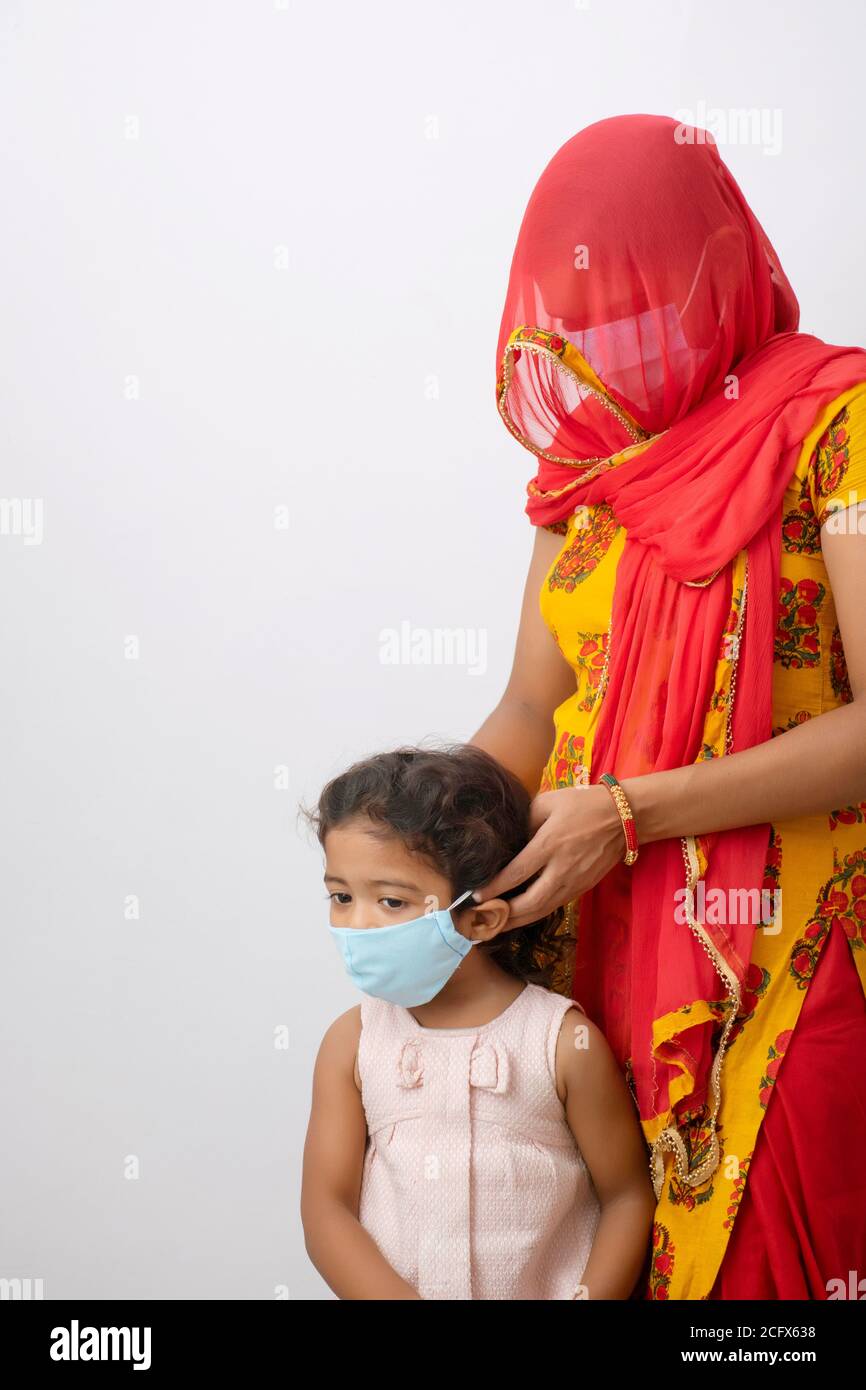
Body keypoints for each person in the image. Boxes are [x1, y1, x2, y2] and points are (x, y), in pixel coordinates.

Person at [467, 113, 866, 1299]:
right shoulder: (585, 474)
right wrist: (416, 844)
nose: (608, 352)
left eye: (637, 310)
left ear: (721, 267)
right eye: (577, 327)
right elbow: (530, 713)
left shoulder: (836, 427)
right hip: (599, 956)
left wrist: (630, 812)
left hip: (797, 963)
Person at [299, 743, 656, 1300]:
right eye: (341, 896)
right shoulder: (353, 1044)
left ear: (481, 919)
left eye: (391, 902)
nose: (357, 925)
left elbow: (627, 1197)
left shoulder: (562, 1043)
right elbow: (327, 1209)